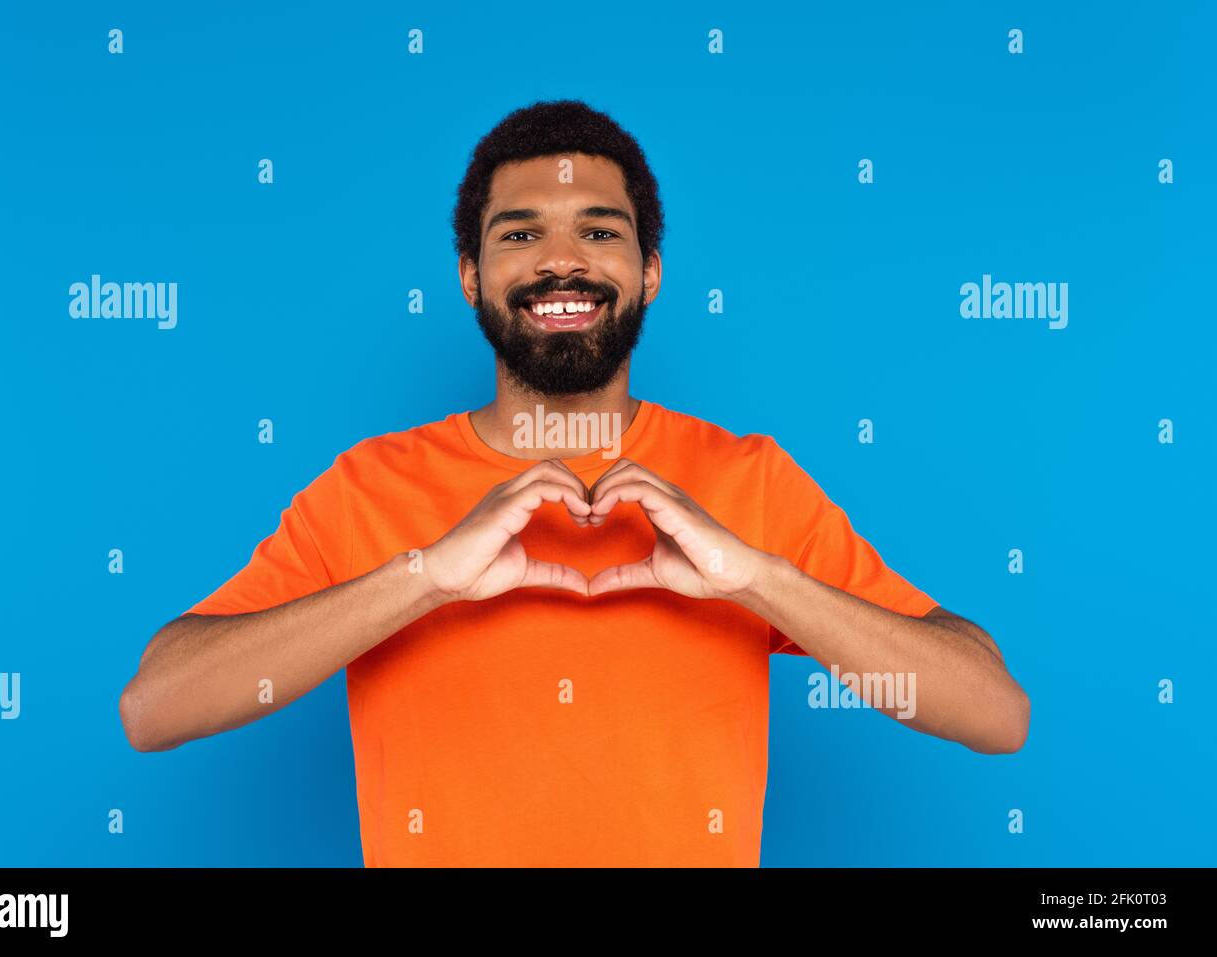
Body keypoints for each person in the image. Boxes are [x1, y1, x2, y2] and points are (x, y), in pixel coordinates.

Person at [119, 99, 1029, 867]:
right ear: (471, 276)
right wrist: (423, 577)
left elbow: (996, 713)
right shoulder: (367, 486)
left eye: (600, 231)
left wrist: (761, 579)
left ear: (650, 273)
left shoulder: (749, 480)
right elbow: (154, 708)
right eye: (521, 235)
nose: (562, 262)